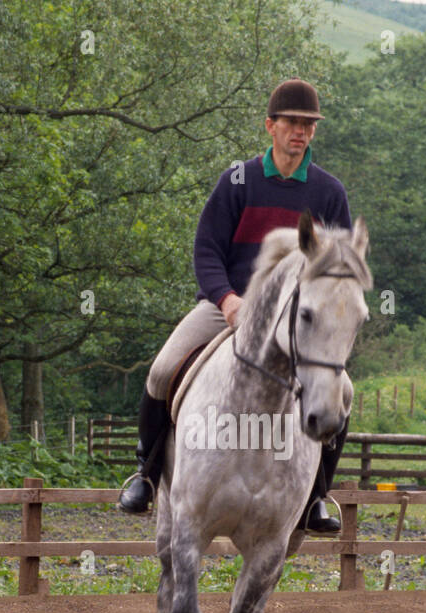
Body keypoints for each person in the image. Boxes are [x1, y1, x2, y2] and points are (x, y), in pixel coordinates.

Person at [118, 77, 353, 534]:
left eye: (308, 125)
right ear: (270, 126)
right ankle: (145, 475)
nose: (300, 132)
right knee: (163, 370)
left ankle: (317, 496)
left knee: (343, 391)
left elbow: (338, 270)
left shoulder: (329, 192)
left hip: (297, 320)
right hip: (228, 305)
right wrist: (226, 300)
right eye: (291, 123)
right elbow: (206, 249)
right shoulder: (237, 180)